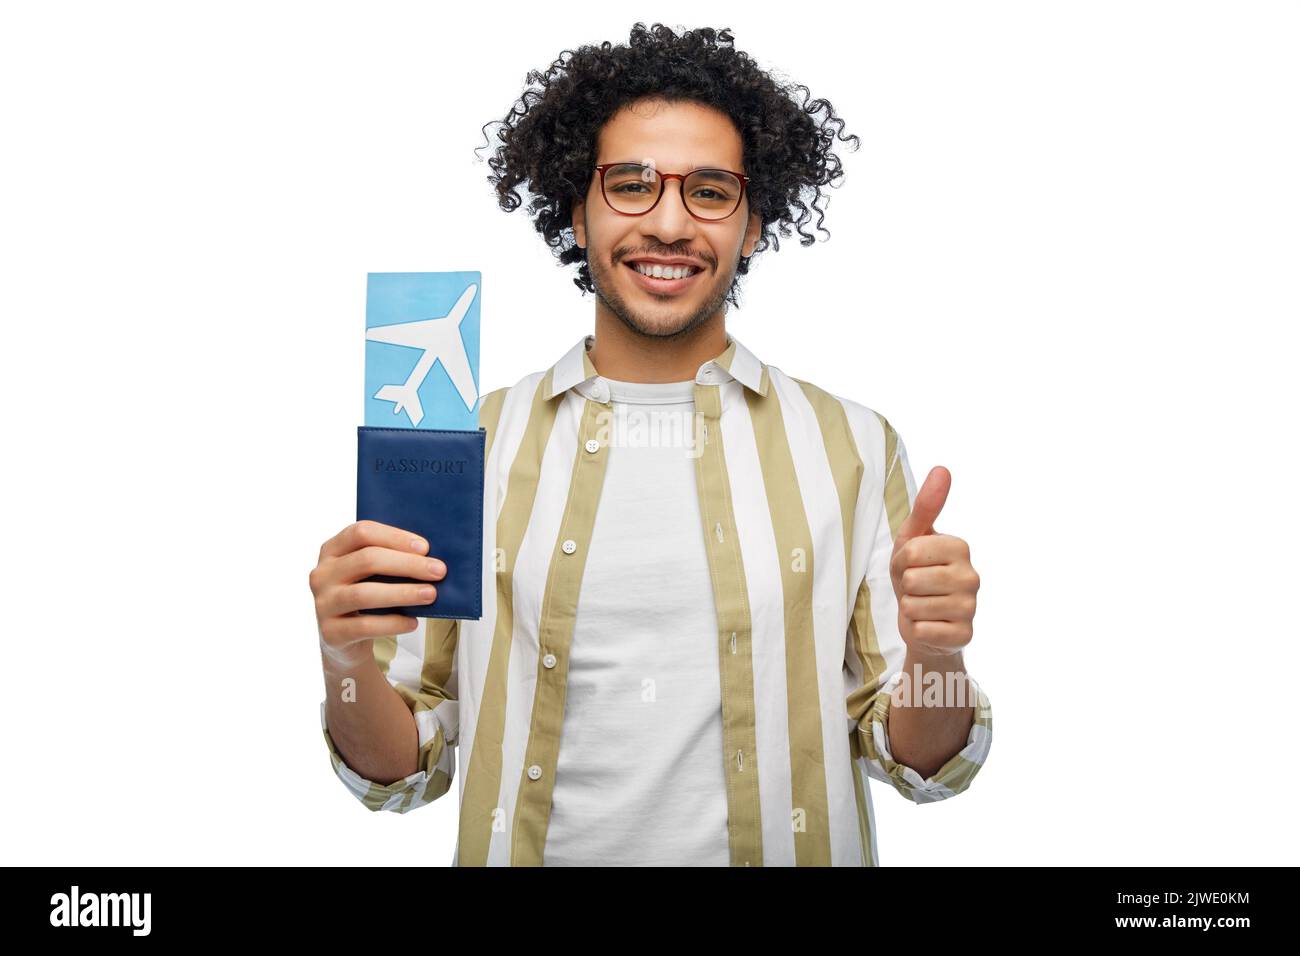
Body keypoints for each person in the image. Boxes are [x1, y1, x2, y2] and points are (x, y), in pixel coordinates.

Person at [309, 22, 992, 867]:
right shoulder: (464, 444)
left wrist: (939, 653)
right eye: (630, 183)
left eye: (709, 191)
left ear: (753, 225)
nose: (669, 223)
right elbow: (398, 767)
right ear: (576, 210)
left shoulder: (851, 444)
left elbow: (927, 764)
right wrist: (343, 656)